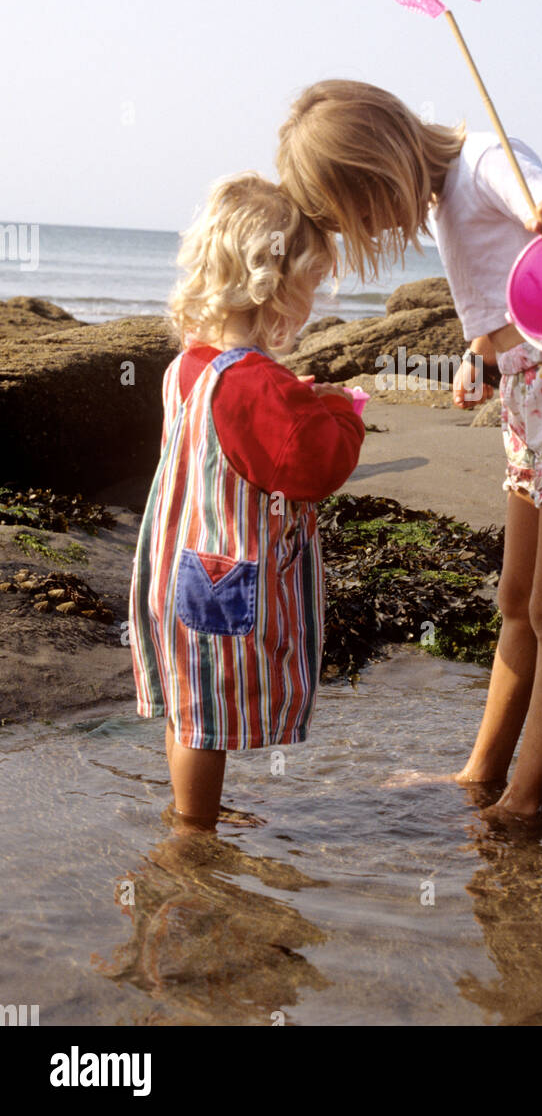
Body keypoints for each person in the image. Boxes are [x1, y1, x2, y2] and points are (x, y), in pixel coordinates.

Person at [275, 81, 542, 821]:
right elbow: (497, 294)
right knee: (514, 601)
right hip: (530, 398)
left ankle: (524, 800)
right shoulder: (442, 198)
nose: (366, 227)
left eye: (357, 208)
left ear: (380, 162)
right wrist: (478, 356)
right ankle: (481, 772)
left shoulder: (487, 161)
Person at [128, 171, 364, 831]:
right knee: (206, 716)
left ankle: (191, 810)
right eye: (312, 283)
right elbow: (313, 468)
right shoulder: (255, 383)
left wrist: (294, 400)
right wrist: (342, 414)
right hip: (225, 578)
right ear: (278, 287)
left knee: (190, 703)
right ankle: (193, 829)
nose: (313, 299)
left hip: (179, 569)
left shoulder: (191, 365)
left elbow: (239, 444)